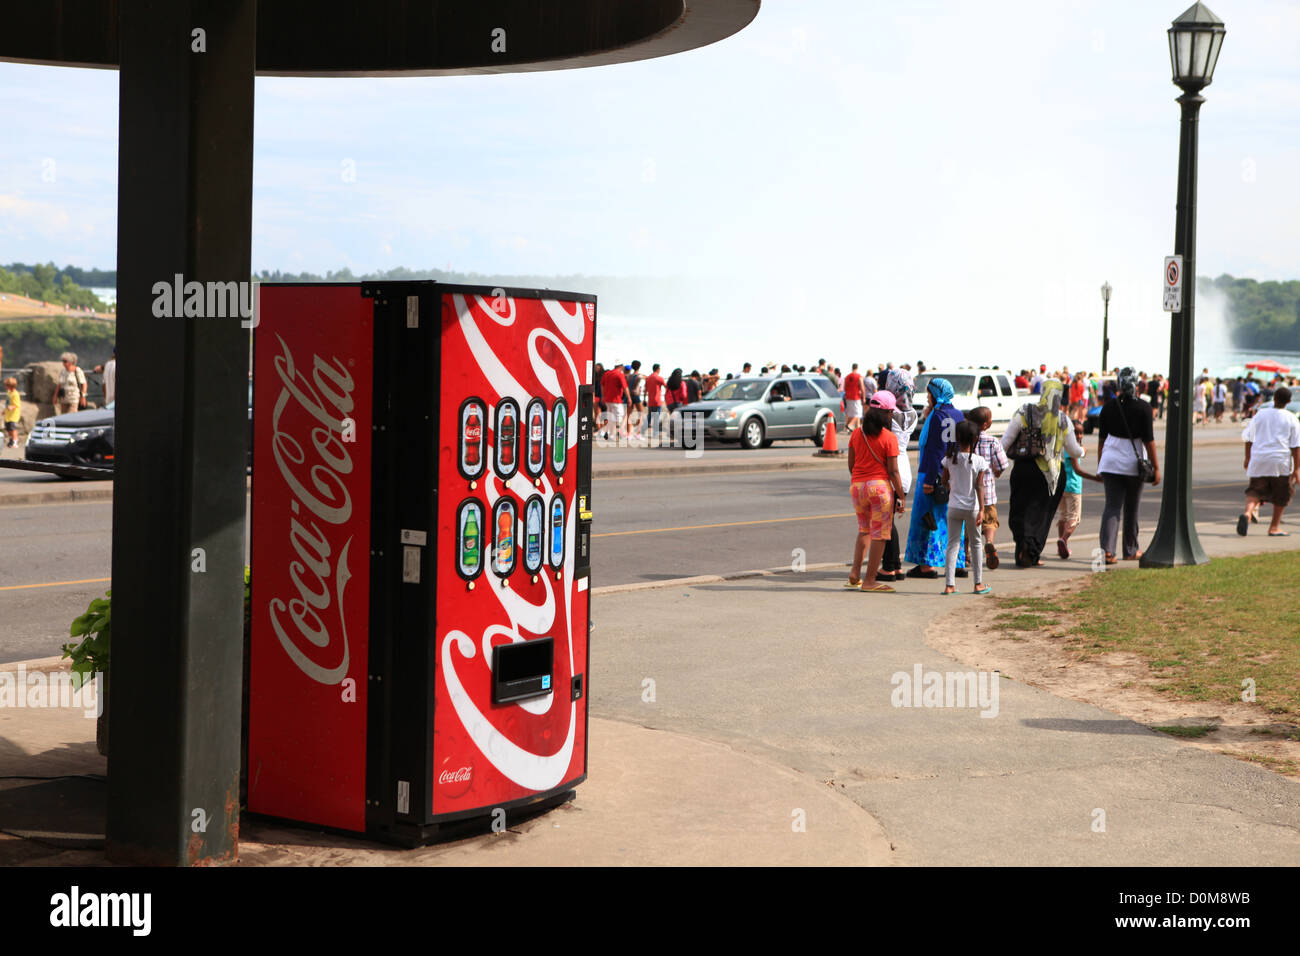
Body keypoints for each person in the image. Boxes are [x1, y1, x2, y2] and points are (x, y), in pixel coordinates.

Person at [1000, 379, 1085, 567]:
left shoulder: (1024, 411)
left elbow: (1005, 443)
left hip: (1023, 469)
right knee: (1041, 515)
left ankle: (1022, 547)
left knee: (1020, 510)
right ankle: (1031, 551)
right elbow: (1074, 451)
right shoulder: (1062, 419)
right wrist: (1083, 452)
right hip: (1050, 475)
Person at [1095, 367, 1158, 564]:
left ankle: (1107, 551)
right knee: (1131, 508)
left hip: (1110, 462)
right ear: (1137, 384)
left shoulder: (1108, 407)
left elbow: (1101, 441)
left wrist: (1100, 466)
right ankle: (1130, 550)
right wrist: (1156, 467)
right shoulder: (1144, 408)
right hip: (1133, 464)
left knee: (1112, 507)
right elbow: (1149, 441)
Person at [846, 391, 906, 593]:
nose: (892, 416)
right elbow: (893, 471)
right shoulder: (889, 438)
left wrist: (861, 480)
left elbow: (851, 465)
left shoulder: (856, 433)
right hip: (879, 488)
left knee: (864, 530)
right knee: (880, 534)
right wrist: (901, 495)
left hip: (857, 487)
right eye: (891, 413)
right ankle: (870, 580)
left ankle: (855, 573)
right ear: (887, 414)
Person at [905, 377, 965, 578]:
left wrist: (930, 480)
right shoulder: (958, 415)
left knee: (927, 518)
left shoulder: (936, 417)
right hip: (954, 474)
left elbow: (933, 451)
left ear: (935, 394)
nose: (928, 396)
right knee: (953, 520)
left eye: (929, 393)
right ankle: (958, 562)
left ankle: (926, 565)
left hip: (933, 474)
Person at [1237, 387, 1300, 537]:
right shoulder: (1291, 418)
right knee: (1282, 493)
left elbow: (1248, 437)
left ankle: (1247, 514)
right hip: (1280, 461)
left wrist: (1247, 458)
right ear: (1289, 401)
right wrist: (1297, 469)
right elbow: (1296, 446)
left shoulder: (1260, 415)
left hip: (1259, 459)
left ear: (1273, 399)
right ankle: (1274, 527)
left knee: (1255, 490)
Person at [940, 420, 991, 595]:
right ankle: (978, 584)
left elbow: (944, 481)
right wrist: (983, 509)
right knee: (976, 543)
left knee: (953, 544)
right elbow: (979, 486)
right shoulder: (979, 461)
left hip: (953, 506)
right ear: (975, 439)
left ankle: (949, 585)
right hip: (973, 508)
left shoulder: (949, 459)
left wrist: (952, 488)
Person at [879, 368, 918, 581]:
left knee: (885, 521)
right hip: (905, 467)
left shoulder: (889, 414)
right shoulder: (912, 413)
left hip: (892, 467)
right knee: (888, 518)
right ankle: (895, 565)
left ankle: (891, 566)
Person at [966, 405, 1008, 569]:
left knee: (967, 526)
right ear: (985, 424)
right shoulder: (992, 441)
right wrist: (996, 472)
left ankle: (966, 555)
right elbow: (1002, 464)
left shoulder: (965, 439)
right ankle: (989, 542)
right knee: (990, 521)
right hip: (988, 493)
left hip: (967, 493)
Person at [1055, 421, 1099, 558]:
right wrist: (1095, 478)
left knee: (1063, 516)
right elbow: (1077, 470)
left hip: (1061, 486)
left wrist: (1083, 450)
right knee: (1074, 518)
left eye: (1081, 433)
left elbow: (1082, 453)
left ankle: (1062, 546)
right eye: (1076, 433)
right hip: (1073, 487)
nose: (1079, 436)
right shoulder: (1072, 449)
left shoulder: (1062, 445)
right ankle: (1064, 539)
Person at [600, 361, 629, 442]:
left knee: (610, 416)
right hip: (616, 400)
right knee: (618, 418)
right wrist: (629, 398)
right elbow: (625, 387)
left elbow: (602, 385)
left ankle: (607, 432)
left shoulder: (607, 374)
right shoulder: (619, 374)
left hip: (607, 399)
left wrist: (603, 396)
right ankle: (611, 433)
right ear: (621, 366)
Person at [645, 363, 666, 440]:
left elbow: (645, 390)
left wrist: (644, 399)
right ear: (658, 369)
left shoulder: (648, 378)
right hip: (657, 401)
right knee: (656, 417)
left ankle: (641, 431)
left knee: (649, 417)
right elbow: (666, 386)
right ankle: (655, 433)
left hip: (650, 401)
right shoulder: (659, 378)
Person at [842, 363, 864, 432]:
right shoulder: (859, 376)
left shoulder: (847, 376)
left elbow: (844, 387)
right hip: (856, 397)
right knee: (858, 413)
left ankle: (856, 428)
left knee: (851, 413)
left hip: (848, 396)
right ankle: (850, 425)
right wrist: (864, 397)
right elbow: (862, 387)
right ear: (857, 368)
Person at [4, 377, 21, 447]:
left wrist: (12, 407)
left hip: (13, 415)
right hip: (8, 414)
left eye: (7, 385)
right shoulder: (8, 393)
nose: (5, 387)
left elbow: (17, 405)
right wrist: (4, 411)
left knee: (12, 429)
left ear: (11, 386)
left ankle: (15, 441)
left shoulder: (15, 394)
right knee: (8, 428)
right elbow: (7, 403)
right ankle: (11, 439)